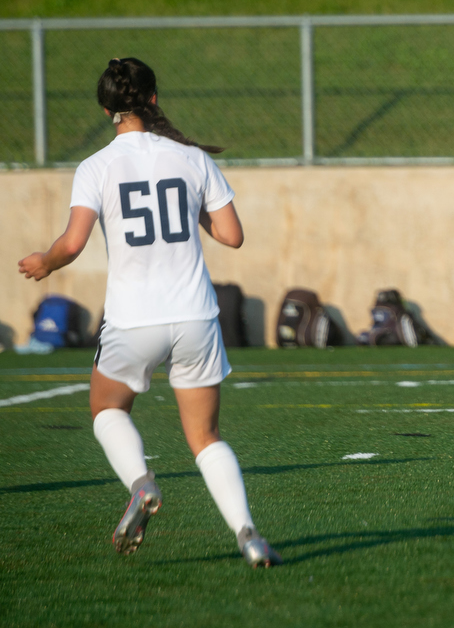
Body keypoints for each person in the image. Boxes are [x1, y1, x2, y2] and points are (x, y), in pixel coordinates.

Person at [17, 57, 280, 568]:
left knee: (107, 410)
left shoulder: (96, 166)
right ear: (154, 99)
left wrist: (44, 262)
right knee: (205, 438)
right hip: (196, 317)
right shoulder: (191, 158)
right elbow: (232, 235)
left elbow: (71, 244)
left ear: (107, 108)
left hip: (133, 320)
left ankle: (141, 484)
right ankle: (248, 534)